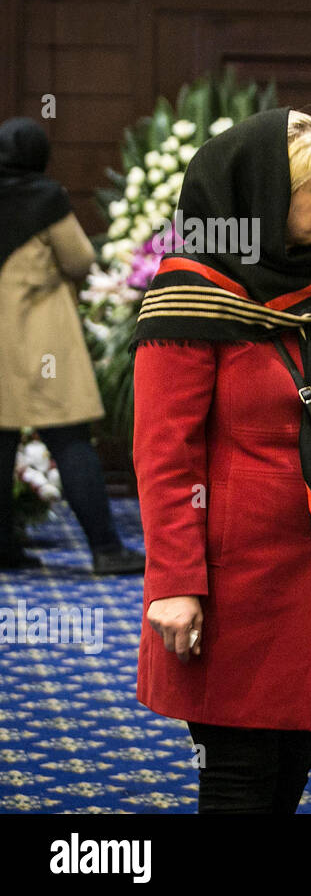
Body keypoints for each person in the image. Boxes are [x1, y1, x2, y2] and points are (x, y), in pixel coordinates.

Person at [132, 108, 311, 813]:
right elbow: (166, 457)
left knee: (294, 763)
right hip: (233, 585)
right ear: (263, 197)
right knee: (239, 776)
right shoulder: (190, 294)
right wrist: (174, 582)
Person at [0, 116, 145, 574]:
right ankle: (105, 549)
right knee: (71, 441)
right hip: (42, 343)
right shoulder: (46, 197)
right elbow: (80, 259)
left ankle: (3, 548)